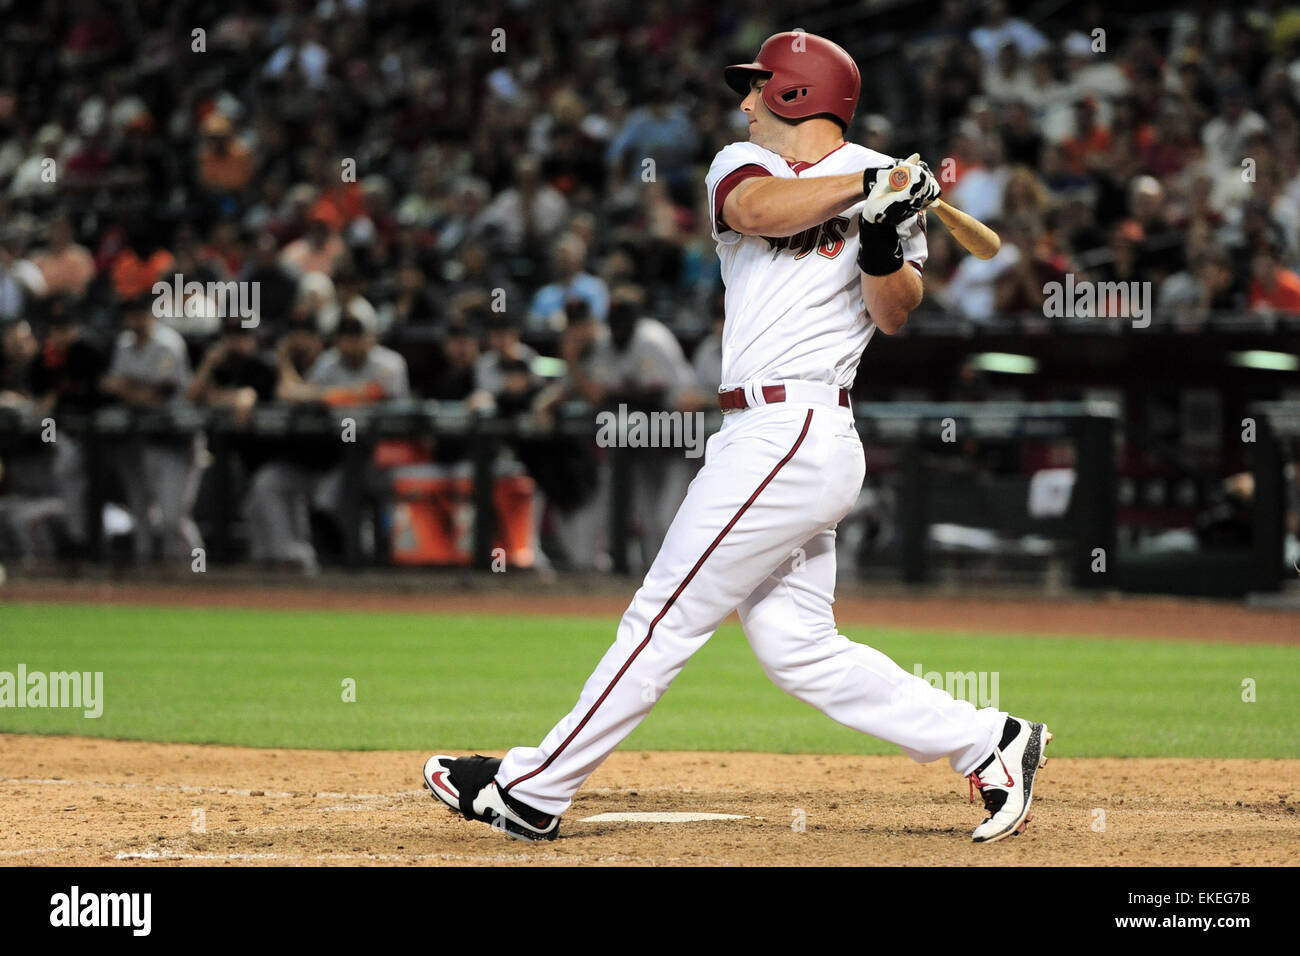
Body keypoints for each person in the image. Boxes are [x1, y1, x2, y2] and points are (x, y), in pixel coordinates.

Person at [424, 32, 1051, 845]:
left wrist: (885, 232)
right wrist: (870, 184)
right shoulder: (742, 167)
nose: (745, 102)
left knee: (661, 618)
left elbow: (895, 312)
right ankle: (989, 742)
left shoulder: (880, 187)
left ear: (797, 94)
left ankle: (535, 789)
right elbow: (758, 212)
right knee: (800, 650)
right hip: (768, 433)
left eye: (759, 87)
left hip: (797, 430)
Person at [100, 295, 204, 563]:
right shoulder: (124, 343)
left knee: (173, 518)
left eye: (140, 314)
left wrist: (130, 388)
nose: (135, 321)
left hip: (176, 438)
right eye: (130, 315)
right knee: (141, 511)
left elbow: (160, 395)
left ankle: (197, 571)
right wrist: (136, 390)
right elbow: (111, 386)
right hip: (140, 439)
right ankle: (148, 576)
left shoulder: (168, 343)